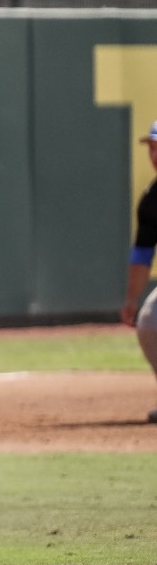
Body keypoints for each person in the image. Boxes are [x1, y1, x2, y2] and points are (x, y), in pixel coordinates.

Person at [123, 120, 157, 423]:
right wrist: (132, 299)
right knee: (149, 321)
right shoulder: (152, 201)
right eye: (153, 147)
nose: (155, 154)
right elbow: (142, 254)